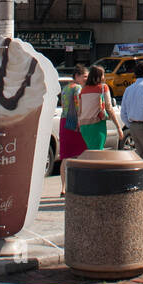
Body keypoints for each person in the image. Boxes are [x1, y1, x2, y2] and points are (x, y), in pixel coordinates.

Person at [58, 66, 88, 194]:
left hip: (64, 122)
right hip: (74, 123)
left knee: (66, 156)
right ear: (77, 76)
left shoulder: (65, 88)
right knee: (81, 154)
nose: (86, 79)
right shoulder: (78, 88)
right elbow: (78, 107)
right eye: (85, 76)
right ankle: (79, 185)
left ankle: (63, 187)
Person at [78, 66, 123, 150]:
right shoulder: (103, 87)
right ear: (98, 76)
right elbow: (109, 107)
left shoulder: (83, 90)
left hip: (84, 126)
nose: (104, 77)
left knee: (90, 152)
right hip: (97, 125)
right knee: (97, 152)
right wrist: (118, 127)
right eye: (103, 75)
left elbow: (79, 110)